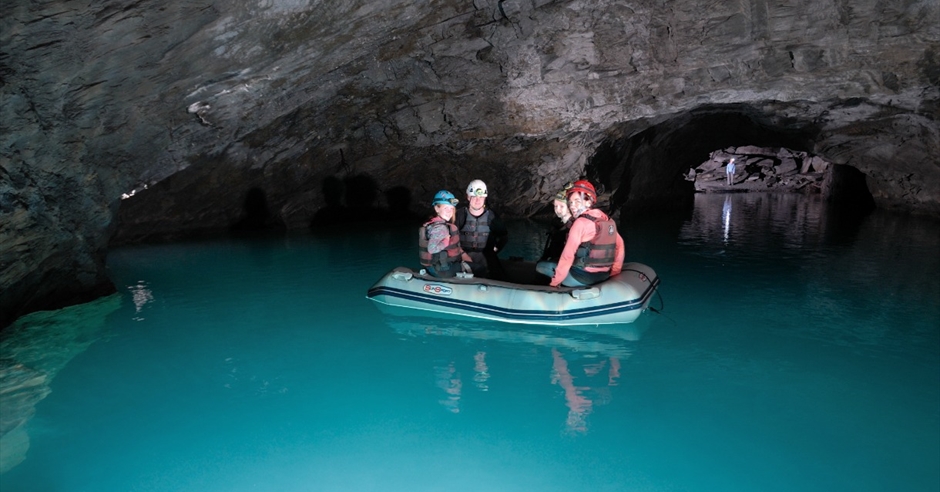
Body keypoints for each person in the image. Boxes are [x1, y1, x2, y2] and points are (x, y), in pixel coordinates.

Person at [541, 180, 625, 288]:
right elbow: (620, 245)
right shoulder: (608, 221)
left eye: (577, 201)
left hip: (582, 277)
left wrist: (554, 284)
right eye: (570, 202)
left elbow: (567, 256)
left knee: (541, 266)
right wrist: (615, 272)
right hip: (604, 276)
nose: (572, 206)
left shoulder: (580, 223)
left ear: (589, 202)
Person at [455, 179, 509, 279]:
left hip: (486, 256)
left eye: (481, 197)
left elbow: (503, 236)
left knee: (500, 278)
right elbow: (450, 239)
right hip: (463, 256)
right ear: (468, 197)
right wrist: (462, 254)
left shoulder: (492, 216)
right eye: (474, 196)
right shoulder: (460, 215)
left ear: (485, 198)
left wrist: (494, 250)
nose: (477, 200)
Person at [419, 190, 473, 278]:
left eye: (451, 208)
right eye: (446, 208)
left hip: (434, 267)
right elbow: (432, 249)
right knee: (478, 268)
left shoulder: (432, 224)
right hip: (443, 270)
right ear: (437, 208)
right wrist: (446, 241)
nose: (449, 212)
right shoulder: (440, 228)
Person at [536, 187, 574, 278]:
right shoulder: (558, 221)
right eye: (556, 206)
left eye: (561, 206)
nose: (558, 210)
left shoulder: (574, 225)